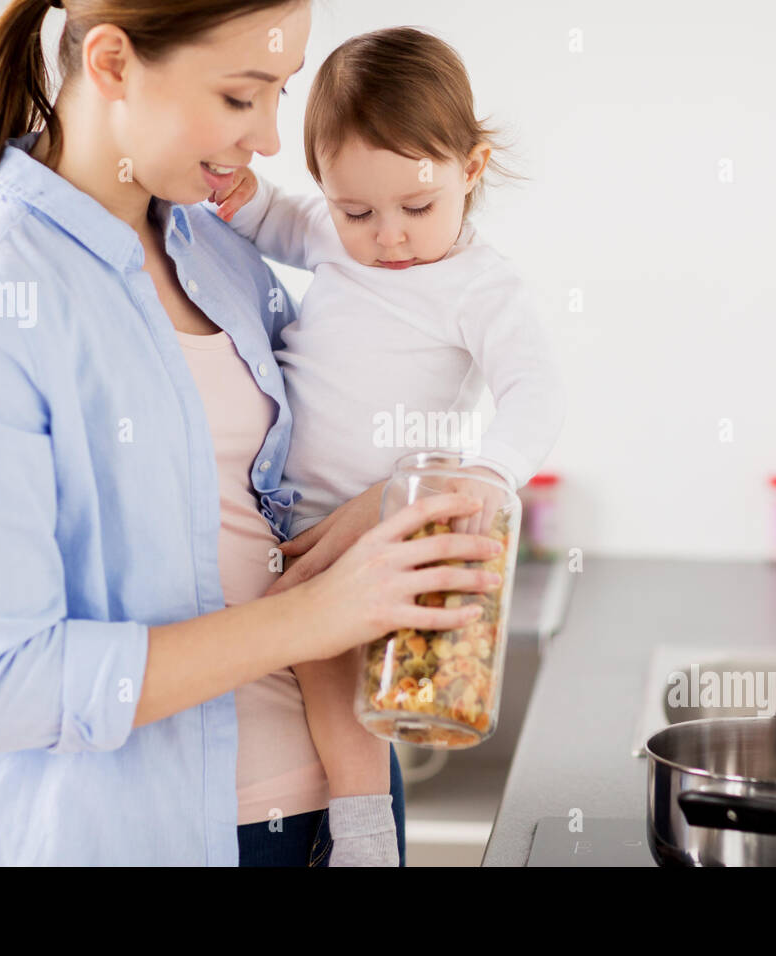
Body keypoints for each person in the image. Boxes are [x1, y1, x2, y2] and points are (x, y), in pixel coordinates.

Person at [0, 0, 500, 866]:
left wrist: (381, 511)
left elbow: (273, 501)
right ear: (114, 64)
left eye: (282, 90)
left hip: (344, 808)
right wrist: (313, 615)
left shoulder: (217, 249)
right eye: (244, 96)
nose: (274, 139)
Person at [212, 26, 566, 866]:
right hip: (287, 506)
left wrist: (489, 472)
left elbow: (536, 389)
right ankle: (361, 814)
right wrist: (235, 193)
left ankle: (365, 829)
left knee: (334, 662)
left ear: (469, 170)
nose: (388, 236)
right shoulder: (334, 232)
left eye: (417, 207)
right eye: (356, 210)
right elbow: (273, 221)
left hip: (385, 515)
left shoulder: (482, 286)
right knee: (302, 649)